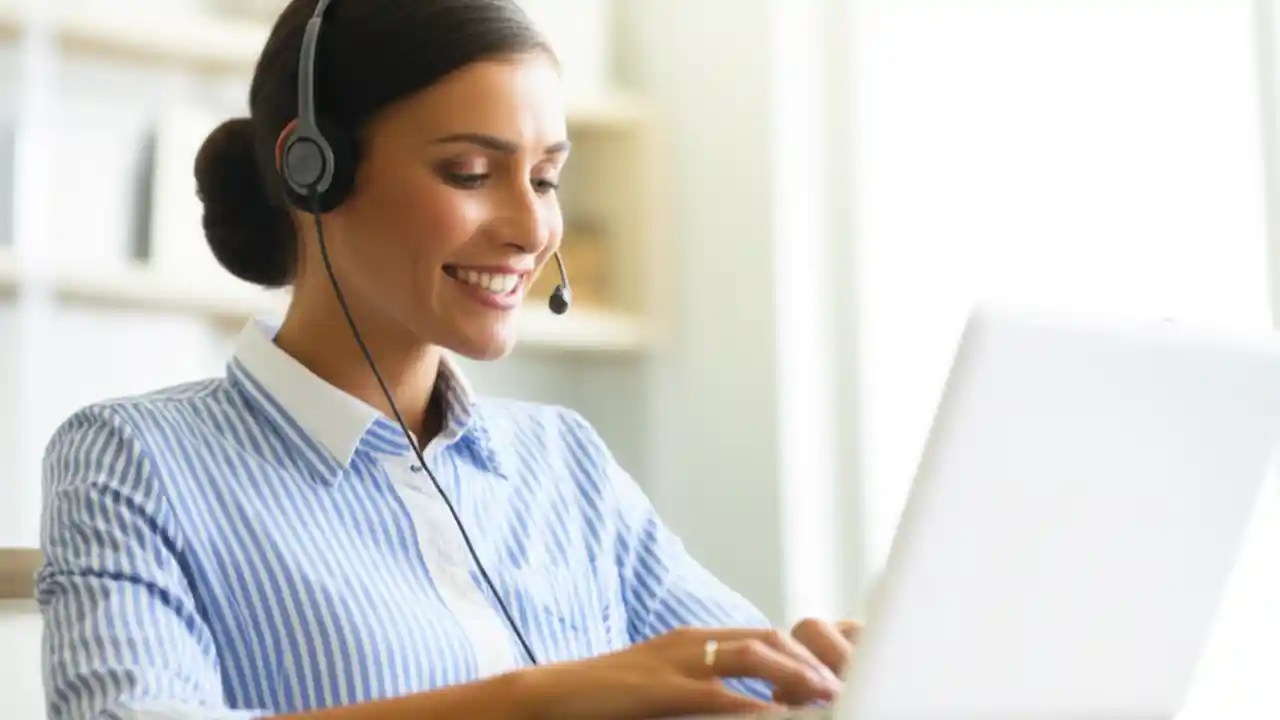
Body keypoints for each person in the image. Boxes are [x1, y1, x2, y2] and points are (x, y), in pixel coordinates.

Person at [36, 1, 859, 718]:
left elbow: (732, 684)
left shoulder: (563, 463)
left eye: (545, 179)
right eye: (470, 172)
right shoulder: (134, 460)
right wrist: (540, 699)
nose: (532, 231)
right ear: (313, 170)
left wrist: (835, 682)